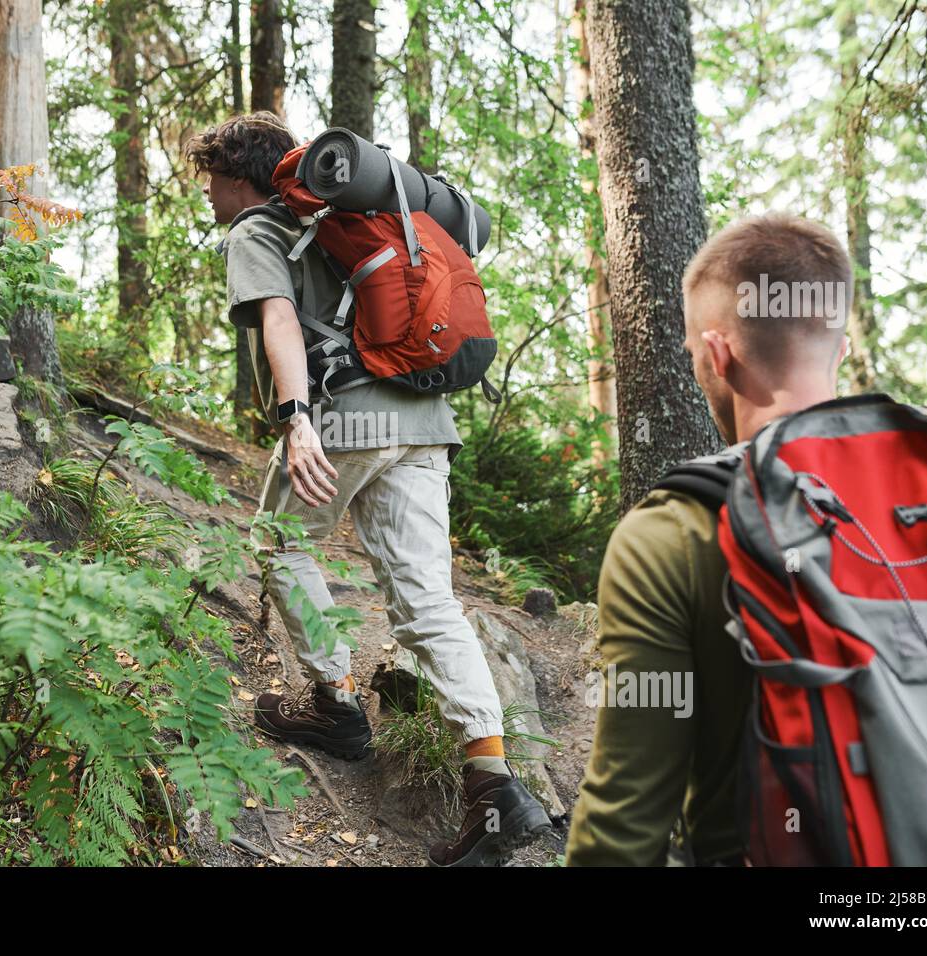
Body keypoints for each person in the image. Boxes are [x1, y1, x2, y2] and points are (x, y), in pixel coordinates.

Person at [185, 112, 552, 866]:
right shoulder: (364, 214)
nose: (209, 194)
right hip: (426, 419)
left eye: (213, 179)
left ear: (241, 176)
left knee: (282, 543)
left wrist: (296, 418)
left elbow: (281, 319)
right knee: (429, 602)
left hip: (348, 415)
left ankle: (335, 703)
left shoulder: (258, 228)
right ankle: (494, 786)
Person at [565, 212, 853, 866]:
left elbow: (623, 832)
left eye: (698, 353)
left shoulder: (673, 533)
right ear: (838, 351)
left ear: (718, 356)